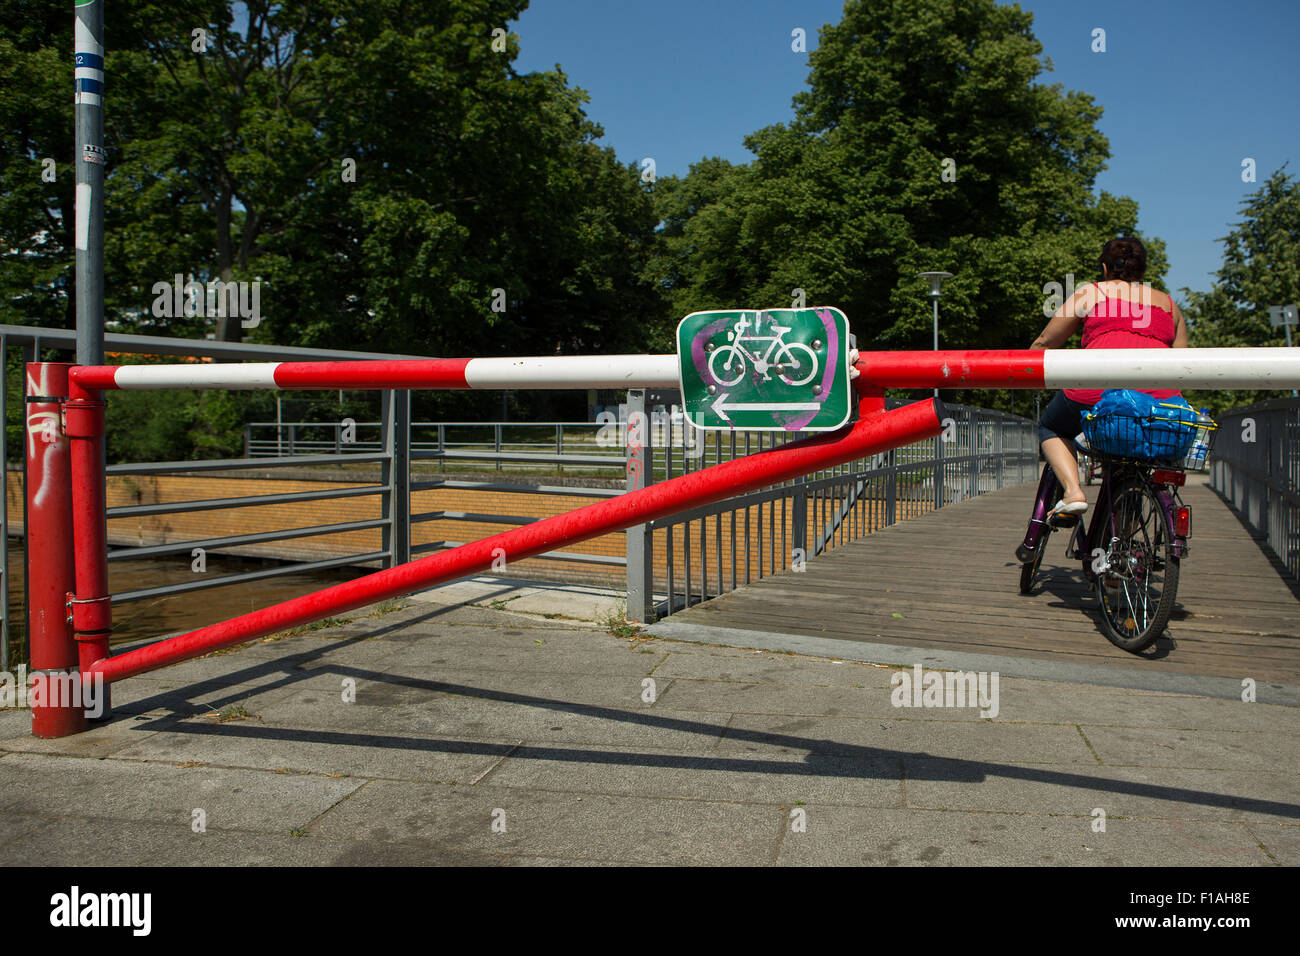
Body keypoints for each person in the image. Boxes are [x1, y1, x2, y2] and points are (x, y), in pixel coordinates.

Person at [1026, 237, 1187, 524]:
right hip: (1159, 401)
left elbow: (1045, 342)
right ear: (1142, 270)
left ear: (1104, 267)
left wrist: (1034, 375)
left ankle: (1074, 492)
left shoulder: (1091, 294)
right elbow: (1185, 365)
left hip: (1097, 392)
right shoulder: (1169, 305)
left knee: (1050, 425)